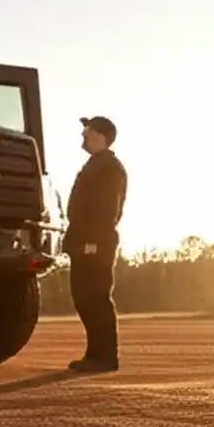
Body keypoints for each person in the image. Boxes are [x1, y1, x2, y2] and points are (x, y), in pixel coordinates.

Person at [62, 115, 127, 372]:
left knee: (95, 298)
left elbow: (108, 207)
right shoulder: (96, 164)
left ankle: (104, 357)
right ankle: (95, 355)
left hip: (95, 242)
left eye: (86, 131)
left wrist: (93, 241)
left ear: (101, 135)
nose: (82, 136)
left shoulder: (109, 167)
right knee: (84, 298)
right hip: (84, 241)